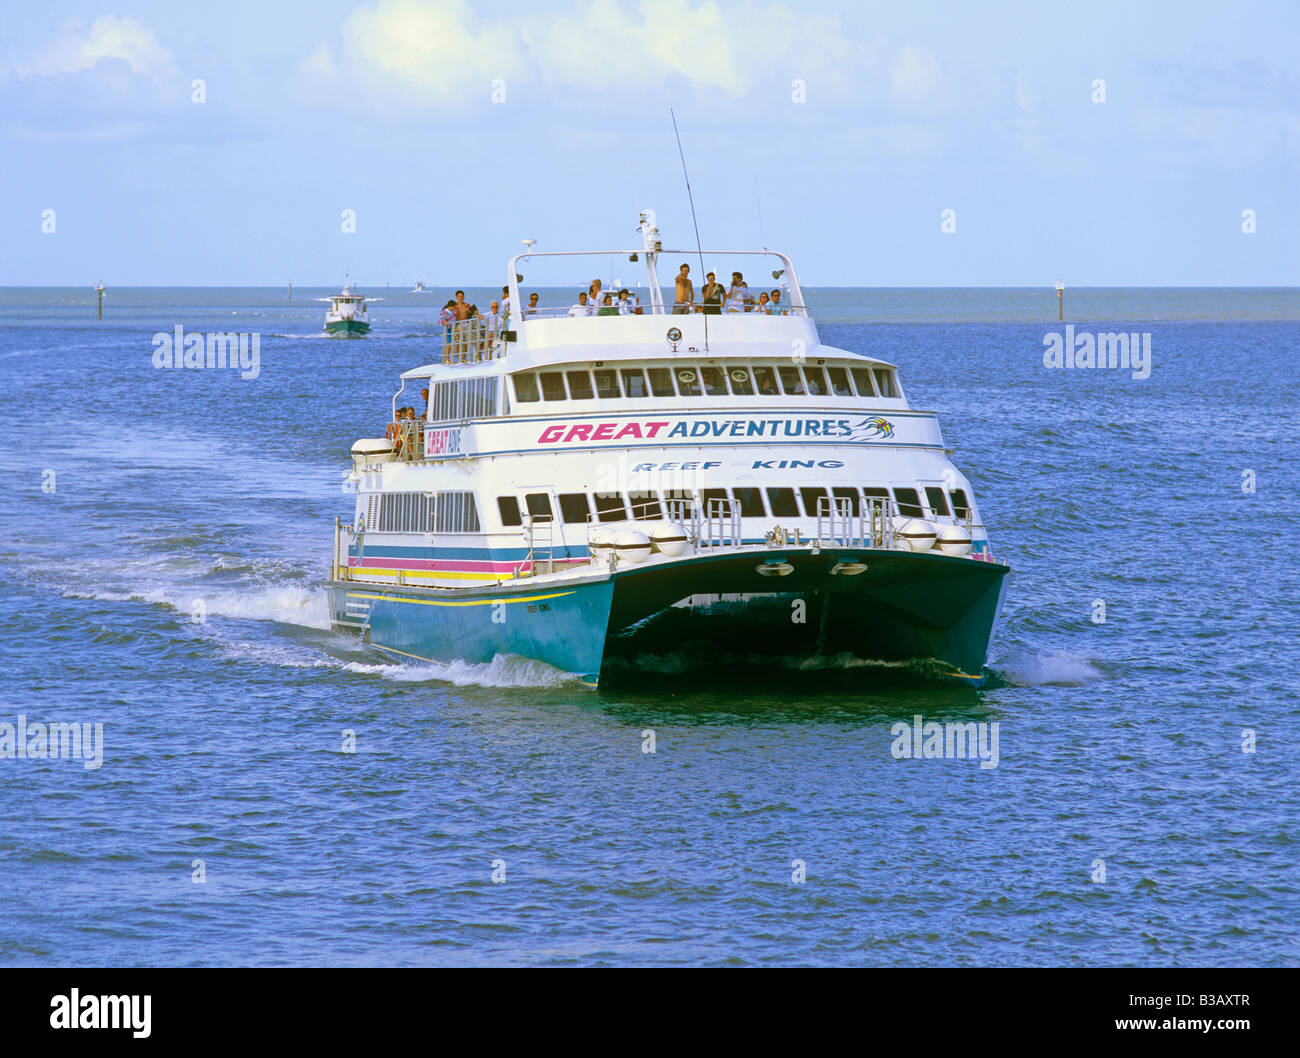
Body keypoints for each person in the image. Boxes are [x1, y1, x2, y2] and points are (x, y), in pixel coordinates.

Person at [438, 299, 455, 364]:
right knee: (449, 344)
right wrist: (444, 322)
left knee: (452, 343)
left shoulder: (452, 311)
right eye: (453, 306)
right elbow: (440, 320)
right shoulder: (445, 312)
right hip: (448, 328)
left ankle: (449, 358)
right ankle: (447, 358)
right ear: (450, 306)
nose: (454, 308)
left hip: (453, 327)